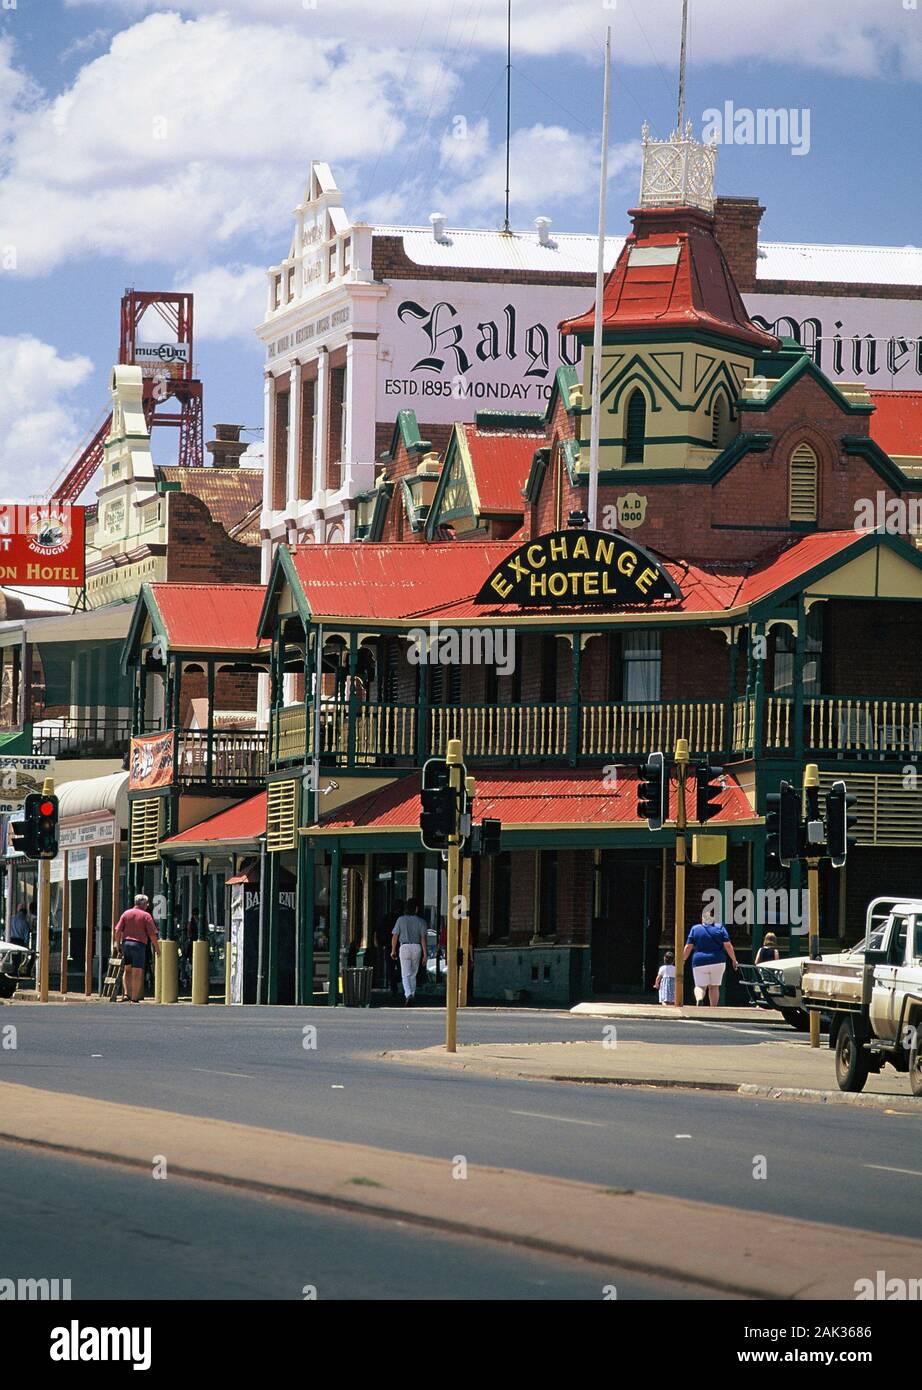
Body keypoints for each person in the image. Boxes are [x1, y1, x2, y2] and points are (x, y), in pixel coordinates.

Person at [683, 904, 739, 1007]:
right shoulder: (720, 927)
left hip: (699, 961)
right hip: (718, 960)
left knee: (700, 986)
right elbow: (728, 945)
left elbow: (688, 947)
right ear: (712, 919)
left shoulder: (695, 929)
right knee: (714, 987)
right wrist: (734, 960)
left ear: (702, 919)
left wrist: (682, 960)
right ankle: (713, 1008)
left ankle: (699, 998)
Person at [114, 894, 160, 1004]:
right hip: (139, 945)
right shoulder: (146, 916)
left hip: (126, 944)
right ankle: (134, 997)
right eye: (147, 904)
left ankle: (126, 993)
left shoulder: (126, 913)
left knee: (127, 969)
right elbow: (152, 934)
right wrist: (157, 948)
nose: (147, 905)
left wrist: (117, 944)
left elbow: (117, 930)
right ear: (143, 904)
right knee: (137, 972)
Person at [390, 899, 428, 1007]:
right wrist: (425, 954)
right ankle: (412, 994)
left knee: (405, 974)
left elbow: (395, 936)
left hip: (404, 946)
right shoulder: (421, 921)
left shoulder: (400, 920)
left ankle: (408, 994)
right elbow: (423, 939)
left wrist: (393, 950)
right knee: (413, 974)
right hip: (417, 947)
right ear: (416, 909)